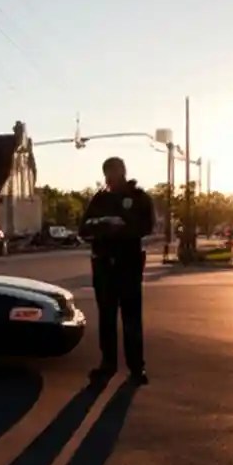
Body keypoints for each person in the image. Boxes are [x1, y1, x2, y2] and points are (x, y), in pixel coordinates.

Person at [78, 156, 155, 384]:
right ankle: (107, 363)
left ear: (123, 171)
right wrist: (103, 227)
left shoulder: (138, 198)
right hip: (103, 265)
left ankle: (136, 367)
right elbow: (83, 230)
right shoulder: (99, 199)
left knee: (131, 317)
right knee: (106, 317)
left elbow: (146, 226)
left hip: (128, 264)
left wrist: (120, 228)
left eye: (114, 172)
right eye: (107, 173)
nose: (110, 177)